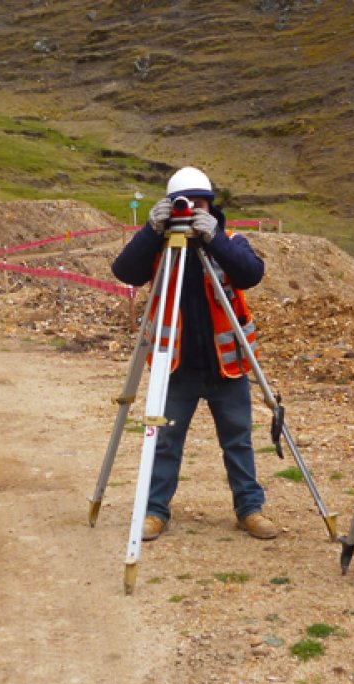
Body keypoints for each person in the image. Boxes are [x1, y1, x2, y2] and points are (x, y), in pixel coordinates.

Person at [111, 167, 277, 541]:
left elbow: (251, 273)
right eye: (182, 203)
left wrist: (212, 237)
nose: (190, 209)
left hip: (226, 366)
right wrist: (150, 232)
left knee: (238, 439)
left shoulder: (229, 240)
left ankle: (249, 509)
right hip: (175, 367)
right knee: (165, 441)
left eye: (198, 202)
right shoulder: (159, 247)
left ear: (211, 206)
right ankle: (155, 511)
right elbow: (125, 271)